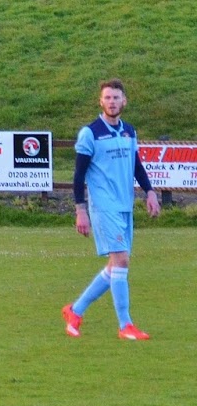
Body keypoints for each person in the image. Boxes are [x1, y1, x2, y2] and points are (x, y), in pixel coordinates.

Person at [62, 78, 160, 341]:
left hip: (124, 205)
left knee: (114, 265)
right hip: (103, 206)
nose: (112, 102)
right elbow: (78, 174)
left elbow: (136, 165)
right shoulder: (90, 133)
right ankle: (125, 324)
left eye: (116, 97)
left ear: (124, 101)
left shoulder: (128, 131)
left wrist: (150, 191)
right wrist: (80, 209)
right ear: (100, 101)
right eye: (107, 97)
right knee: (122, 261)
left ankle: (75, 309)